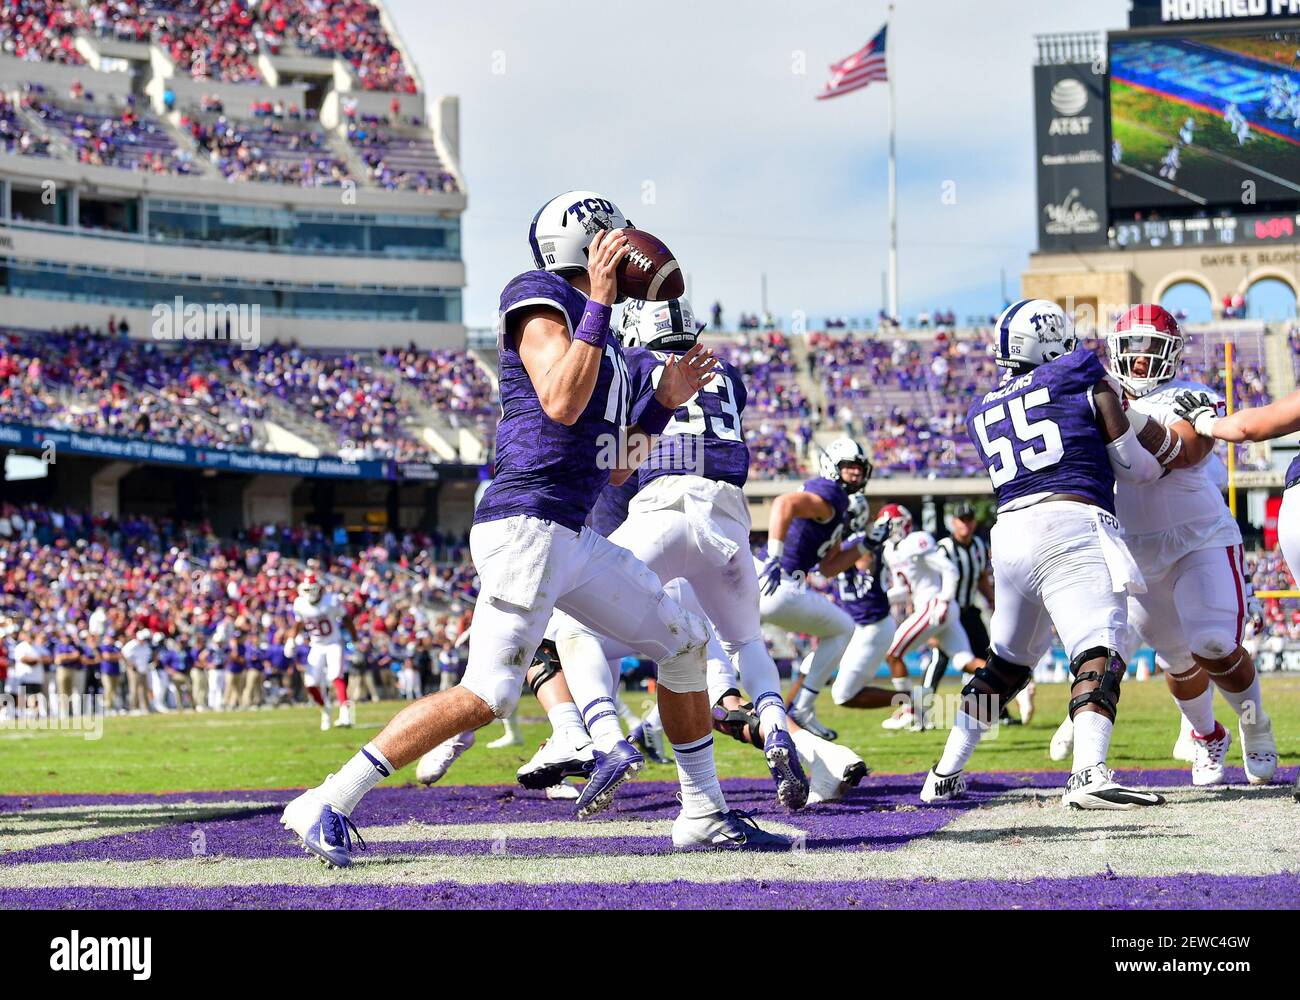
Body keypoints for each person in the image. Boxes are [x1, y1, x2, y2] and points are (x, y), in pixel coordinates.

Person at [282, 190, 783, 866]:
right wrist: (600, 304)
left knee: (686, 643)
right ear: (582, 242)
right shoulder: (542, 294)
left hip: (570, 535)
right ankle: (328, 800)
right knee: (489, 693)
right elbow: (560, 399)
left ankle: (703, 815)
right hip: (523, 525)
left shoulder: (614, 348)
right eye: (611, 234)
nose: (625, 243)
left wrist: (662, 404)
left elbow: (615, 470)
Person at [922, 298, 1170, 809]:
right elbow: (1134, 467)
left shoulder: (981, 407)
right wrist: (1168, 451)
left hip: (1009, 534)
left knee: (1007, 665)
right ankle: (1088, 773)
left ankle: (944, 773)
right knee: (1100, 648)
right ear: (1054, 337)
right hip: (1070, 522)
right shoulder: (1081, 370)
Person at [1053, 304, 1277, 788]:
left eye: (1151, 347)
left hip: (1200, 537)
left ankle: (1256, 720)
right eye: (1132, 346)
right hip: (1136, 548)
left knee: (1214, 642)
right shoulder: (1091, 401)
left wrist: (1124, 413)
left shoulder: (1192, 395)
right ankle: (1206, 735)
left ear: (1170, 353)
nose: (1139, 358)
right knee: (1178, 661)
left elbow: (1184, 452)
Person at [757, 437, 871, 740]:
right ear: (833, 467)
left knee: (711, 664)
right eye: (849, 467)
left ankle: (649, 728)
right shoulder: (830, 492)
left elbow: (829, 567)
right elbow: (784, 504)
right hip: (777, 581)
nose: (856, 473)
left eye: (859, 468)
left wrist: (867, 543)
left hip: (756, 583)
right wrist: (775, 555)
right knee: (843, 628)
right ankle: (803, 707)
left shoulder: (838, 511)